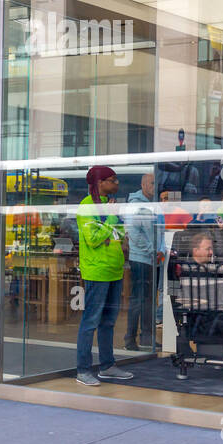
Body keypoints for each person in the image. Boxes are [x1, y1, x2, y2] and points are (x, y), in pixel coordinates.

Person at [74, 165, 133, 386]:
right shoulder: (86, 207)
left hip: (114, 269)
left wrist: (111, 223)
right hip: (96, 271)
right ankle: (83, 370)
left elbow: (117, 234)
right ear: (100, 183)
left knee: (108, 322)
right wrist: (110, 218)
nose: (116, 184)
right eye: (113, 180)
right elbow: (94, 239)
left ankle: (107, 366)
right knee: (91, 321)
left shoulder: (110, 206)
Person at [120, 172, 159, 351]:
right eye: (151, 183)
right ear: (143, 185)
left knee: (149, 300)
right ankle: (130, 339)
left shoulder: (152, 204)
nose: (154, 186)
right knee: (138, 300)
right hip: (142, 259)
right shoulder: (137, 205)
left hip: (151, 259)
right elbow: (135, 234)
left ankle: (146, 337)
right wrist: (152, 251)